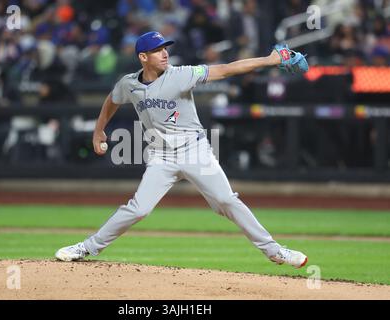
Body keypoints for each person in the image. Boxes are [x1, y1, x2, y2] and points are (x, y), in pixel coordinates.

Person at [55, 31, 308, 268]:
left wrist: (270, 59)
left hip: (194, 150)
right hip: (160, 156)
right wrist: (99, 130)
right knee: (139, 208)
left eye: (165, 48)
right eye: (157, 50)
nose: (165, 53)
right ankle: (86, 248)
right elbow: (112, 100)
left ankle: (274, 251)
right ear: (143, 57)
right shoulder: (129, 84)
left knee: (226, 200)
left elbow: (227, 69)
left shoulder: (182, 74)